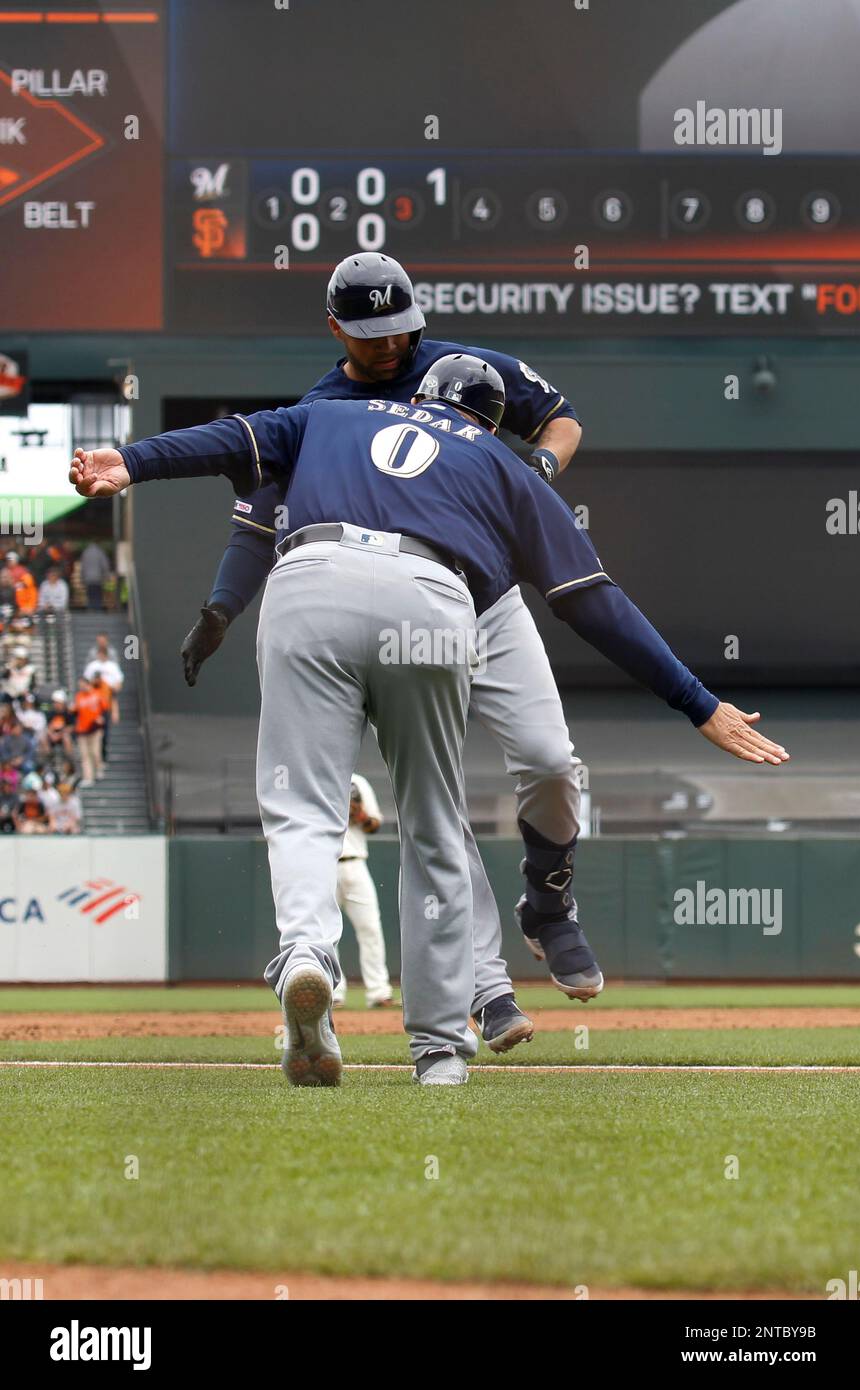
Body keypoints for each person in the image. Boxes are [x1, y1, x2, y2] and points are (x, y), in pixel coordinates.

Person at [70, 354, 788, 1087]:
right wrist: (699, 702)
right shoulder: (502, 464)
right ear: (485, 416)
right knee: (434, 820)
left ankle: (310, 956)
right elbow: (592, 601)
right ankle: (441, 1048)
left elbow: (227, 440)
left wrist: (125, 462)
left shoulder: (331, 412)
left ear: (419, 395)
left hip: (310, 579)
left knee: (304, 808)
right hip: (435, 597)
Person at [181, 253, 589, 1054]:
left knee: (546, 759)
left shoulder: (463, 370)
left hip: (485, 588)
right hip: (377, 590)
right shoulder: (322, 408)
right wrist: (222, 609)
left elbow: (563, 421)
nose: (393, 347)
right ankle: (485, 990)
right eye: (374, 335)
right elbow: (257, 519)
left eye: (404, 329)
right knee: (429, 798)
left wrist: (534, 476)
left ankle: (547, 902)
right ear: (335, 329)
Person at [332, 773, 394, 1009]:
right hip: (323, 866)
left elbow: (374, 824)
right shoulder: (314, 775)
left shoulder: (356, 781)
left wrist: (358, 814)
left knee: (370, 928)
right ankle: (333, 992)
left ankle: (378, 992)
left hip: (356, 863)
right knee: (327, 933)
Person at [70, 675, 105, 787]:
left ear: (88, 684)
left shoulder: (97, 694)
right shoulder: (79, 696)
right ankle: (88, 777)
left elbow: (105, 709)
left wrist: (102, 718)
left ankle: (99, 768)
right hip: (82, 729)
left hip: (95, 727)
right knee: (84, 755)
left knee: (95, 751)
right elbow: (75, 711)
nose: (81, 687)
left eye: (82, 684)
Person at [79, 542, 111, 610]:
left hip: (88, 578)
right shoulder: (100, 552)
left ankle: (91, 609)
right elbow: (105, 565)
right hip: (98, 577)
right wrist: (106, 576)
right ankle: (97, 610)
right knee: (98, 594)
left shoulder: (85, 552)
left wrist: (82, 577)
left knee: (90, 594)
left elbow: (83, 566)